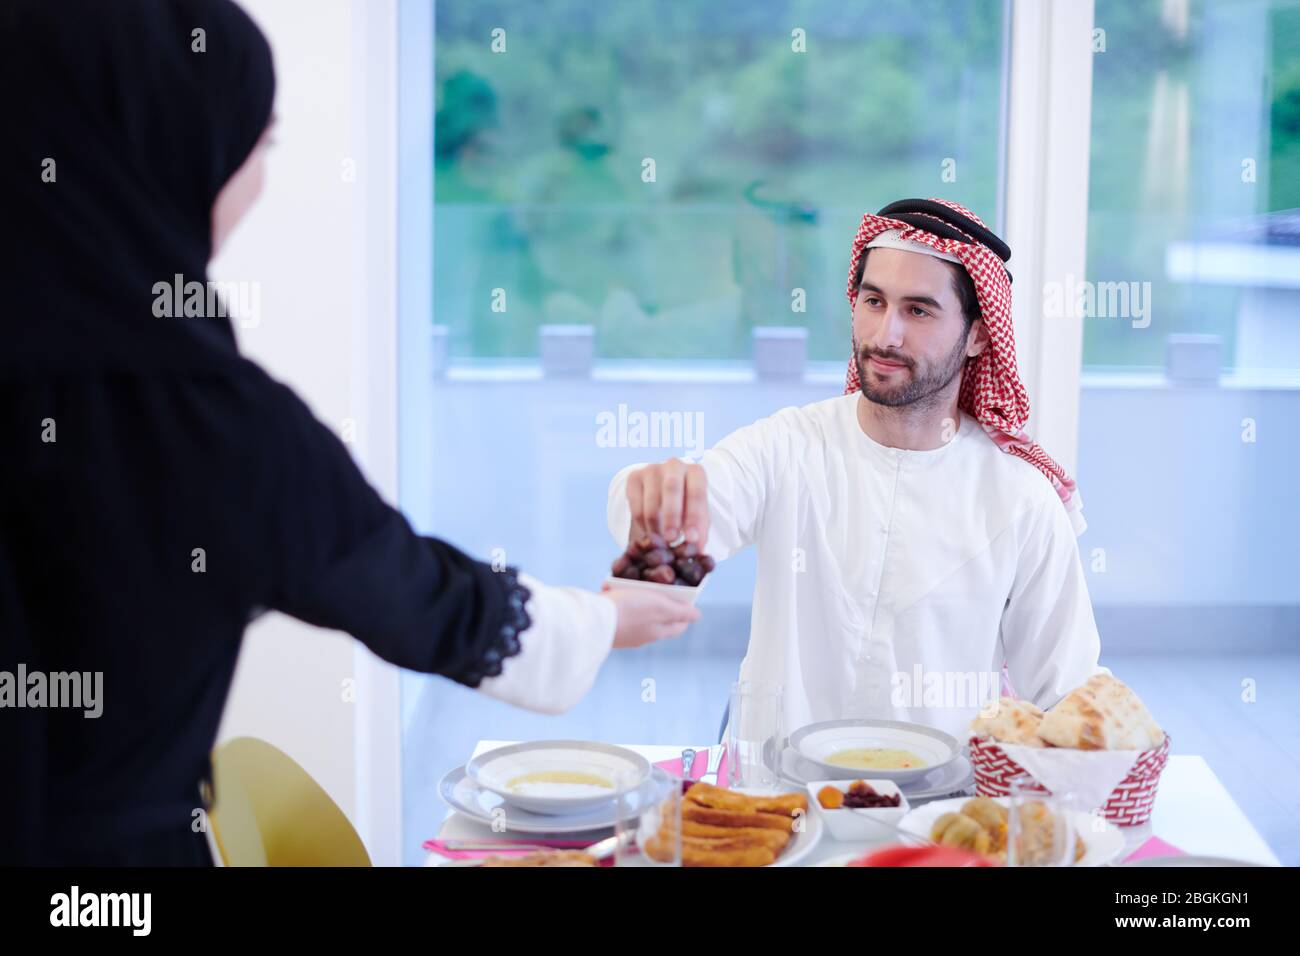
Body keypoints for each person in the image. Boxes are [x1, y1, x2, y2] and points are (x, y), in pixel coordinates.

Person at [0, 0, 697, 866]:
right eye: (260, 140)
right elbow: (415, 594)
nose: (256, 174)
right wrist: (598, 622)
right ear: (171, 149)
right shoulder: (207, 424)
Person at [607, 198, 1104, 741]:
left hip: (936, 814)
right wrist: (655, 492)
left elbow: (1066, 696)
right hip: (779, 805)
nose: (885, 335)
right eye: (874, 301)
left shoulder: (1021, 500)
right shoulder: (787, 446)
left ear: (980, 335)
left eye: (918, 310)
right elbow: (693, 510)